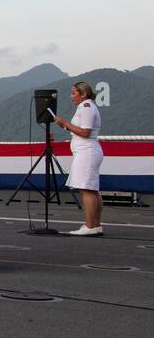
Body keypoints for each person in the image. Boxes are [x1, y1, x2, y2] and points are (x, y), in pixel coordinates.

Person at [55, 82, 104, 236]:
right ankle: (95, 224)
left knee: (86, 190)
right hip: (86, 151)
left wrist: (65, 123)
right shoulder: (86, 107)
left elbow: (85, 132)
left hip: (86, 151)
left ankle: (90, 226)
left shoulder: (86, 108)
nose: (71, 96)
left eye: (73, 93)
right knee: (92, 189)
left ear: (83, 94)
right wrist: (65, 126)